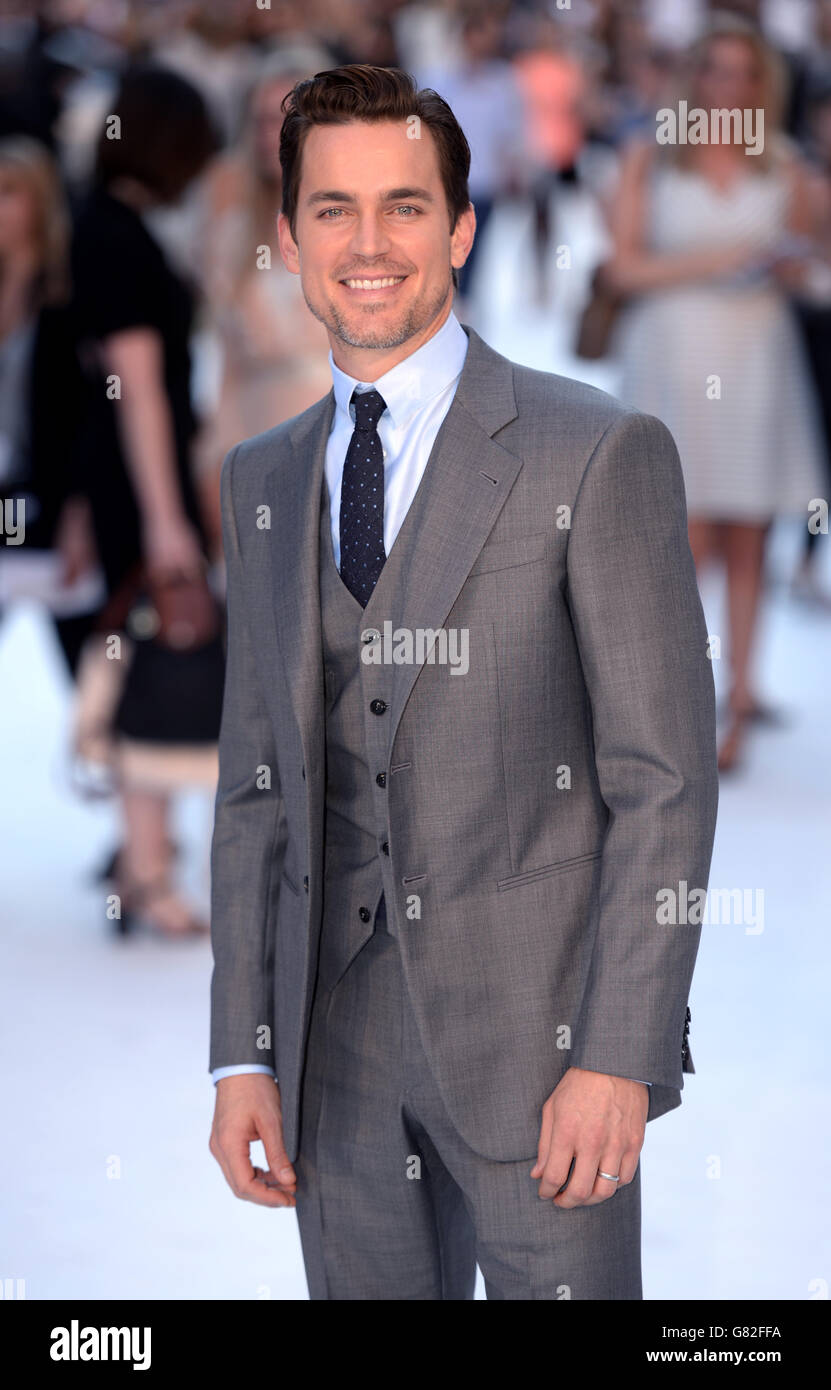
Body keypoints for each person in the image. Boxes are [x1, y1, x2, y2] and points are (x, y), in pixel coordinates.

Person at [208, 63, 718, 1301]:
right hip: (333, 1064)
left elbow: (664, 784)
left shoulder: (593, 449)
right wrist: (243, 1056)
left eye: (405, 207)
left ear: (463, 227)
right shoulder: (264, 479)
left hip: (547, 1061)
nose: (368, 244)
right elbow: (256, 792)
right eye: (333, 209)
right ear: (289, 237)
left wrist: (620, 1054)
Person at [606, 15, 826, 771]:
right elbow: (624, 269)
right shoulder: (647, 159)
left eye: (742, 73)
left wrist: (786, 262)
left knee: (748, 533)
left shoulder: (786, 167)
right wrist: (724, 258)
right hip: (671, 355)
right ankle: (676, 705)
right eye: (714, 70)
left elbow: (806, 268)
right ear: (692, 79)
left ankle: (738, 700)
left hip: (757, 358)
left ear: (759, 85)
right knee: (679, 537)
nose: (727, 86)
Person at [71, 64, 223, 936]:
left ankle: (141, 864)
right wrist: (167, 519)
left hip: (123, 478)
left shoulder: (107, 225)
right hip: (141, 482)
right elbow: (140, 389)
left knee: (144, 667)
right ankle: (149, 870)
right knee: (152, 673)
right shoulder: (119, 235)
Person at [0, 134, 101, 678]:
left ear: (40, 202)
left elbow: (91, 420)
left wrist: (80, 518)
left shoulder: (68, 297)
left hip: (51, 506)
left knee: (64, 672)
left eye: (9, 192)